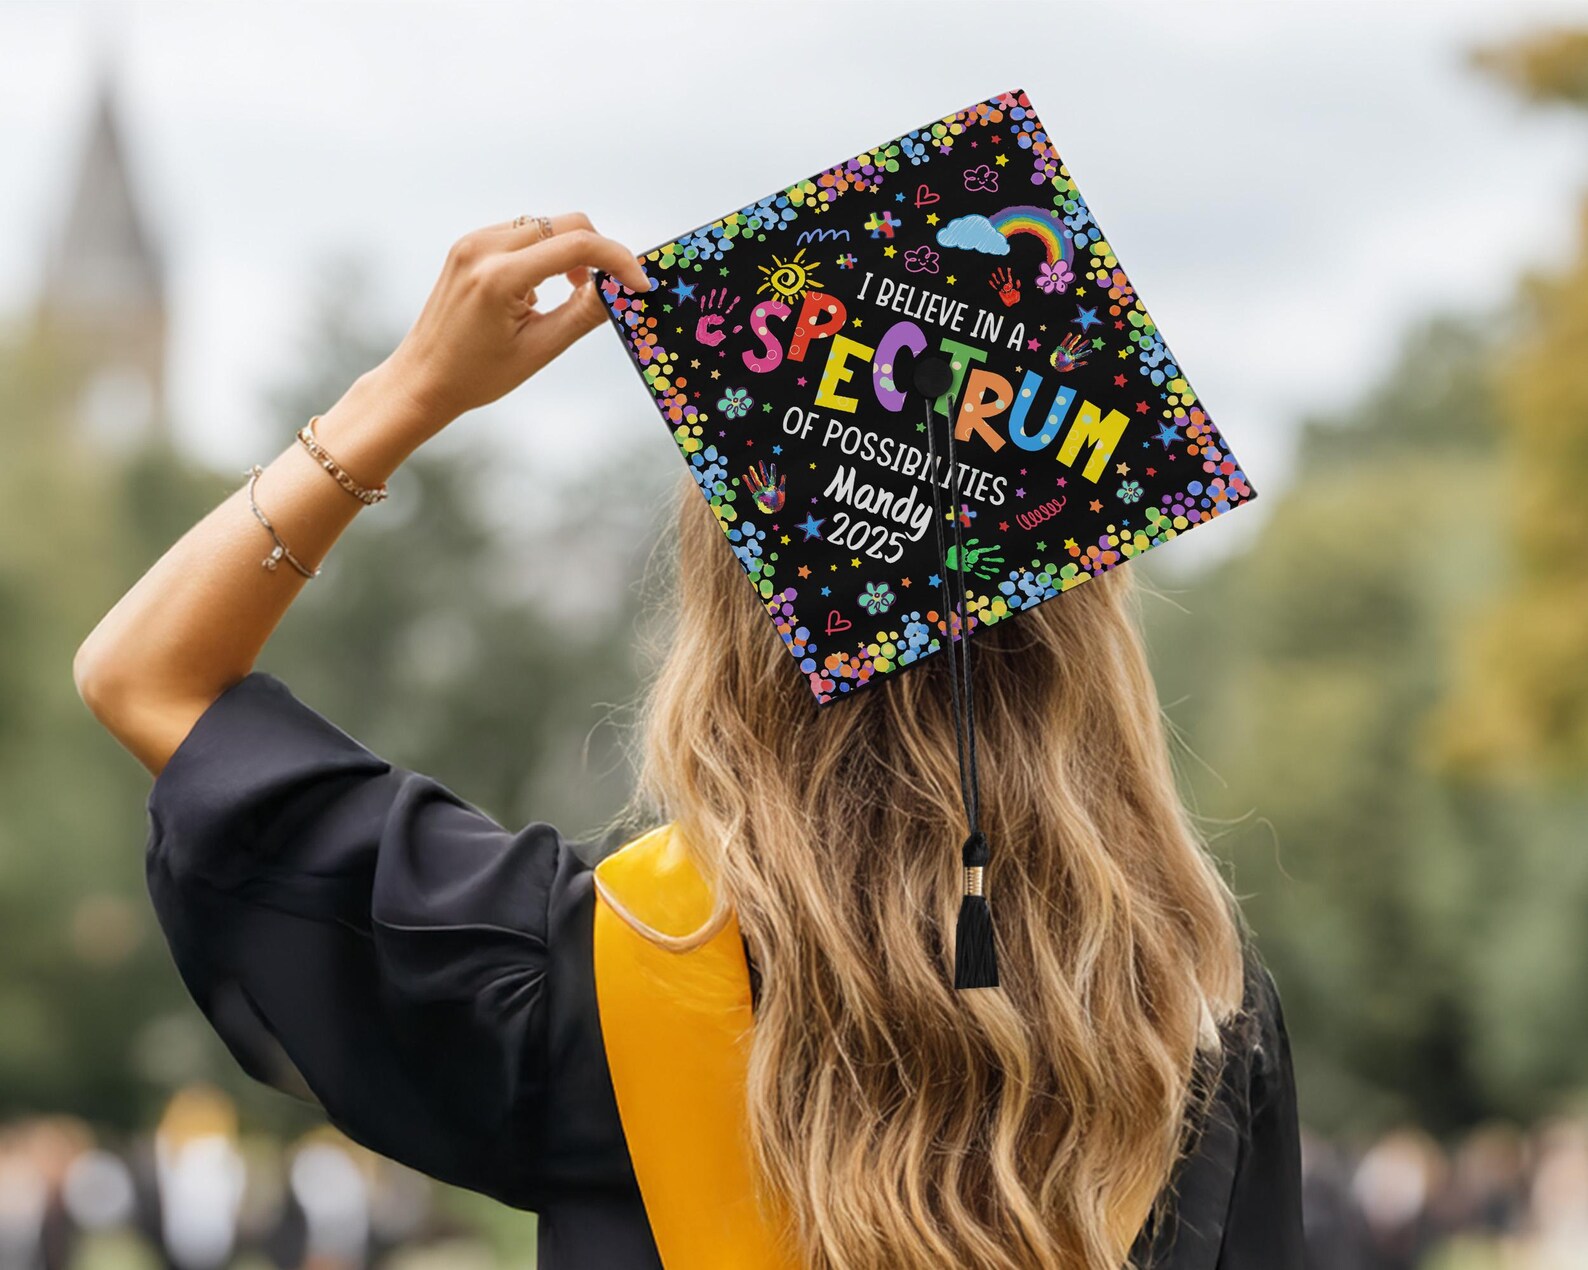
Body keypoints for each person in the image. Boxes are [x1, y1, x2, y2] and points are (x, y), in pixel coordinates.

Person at [74, 213, 1306, 1269]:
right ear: (1084, 632)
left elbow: (147, 678)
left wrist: (406, 393)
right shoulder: (1191, 1014)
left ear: (729, 622)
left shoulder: (593, 972)